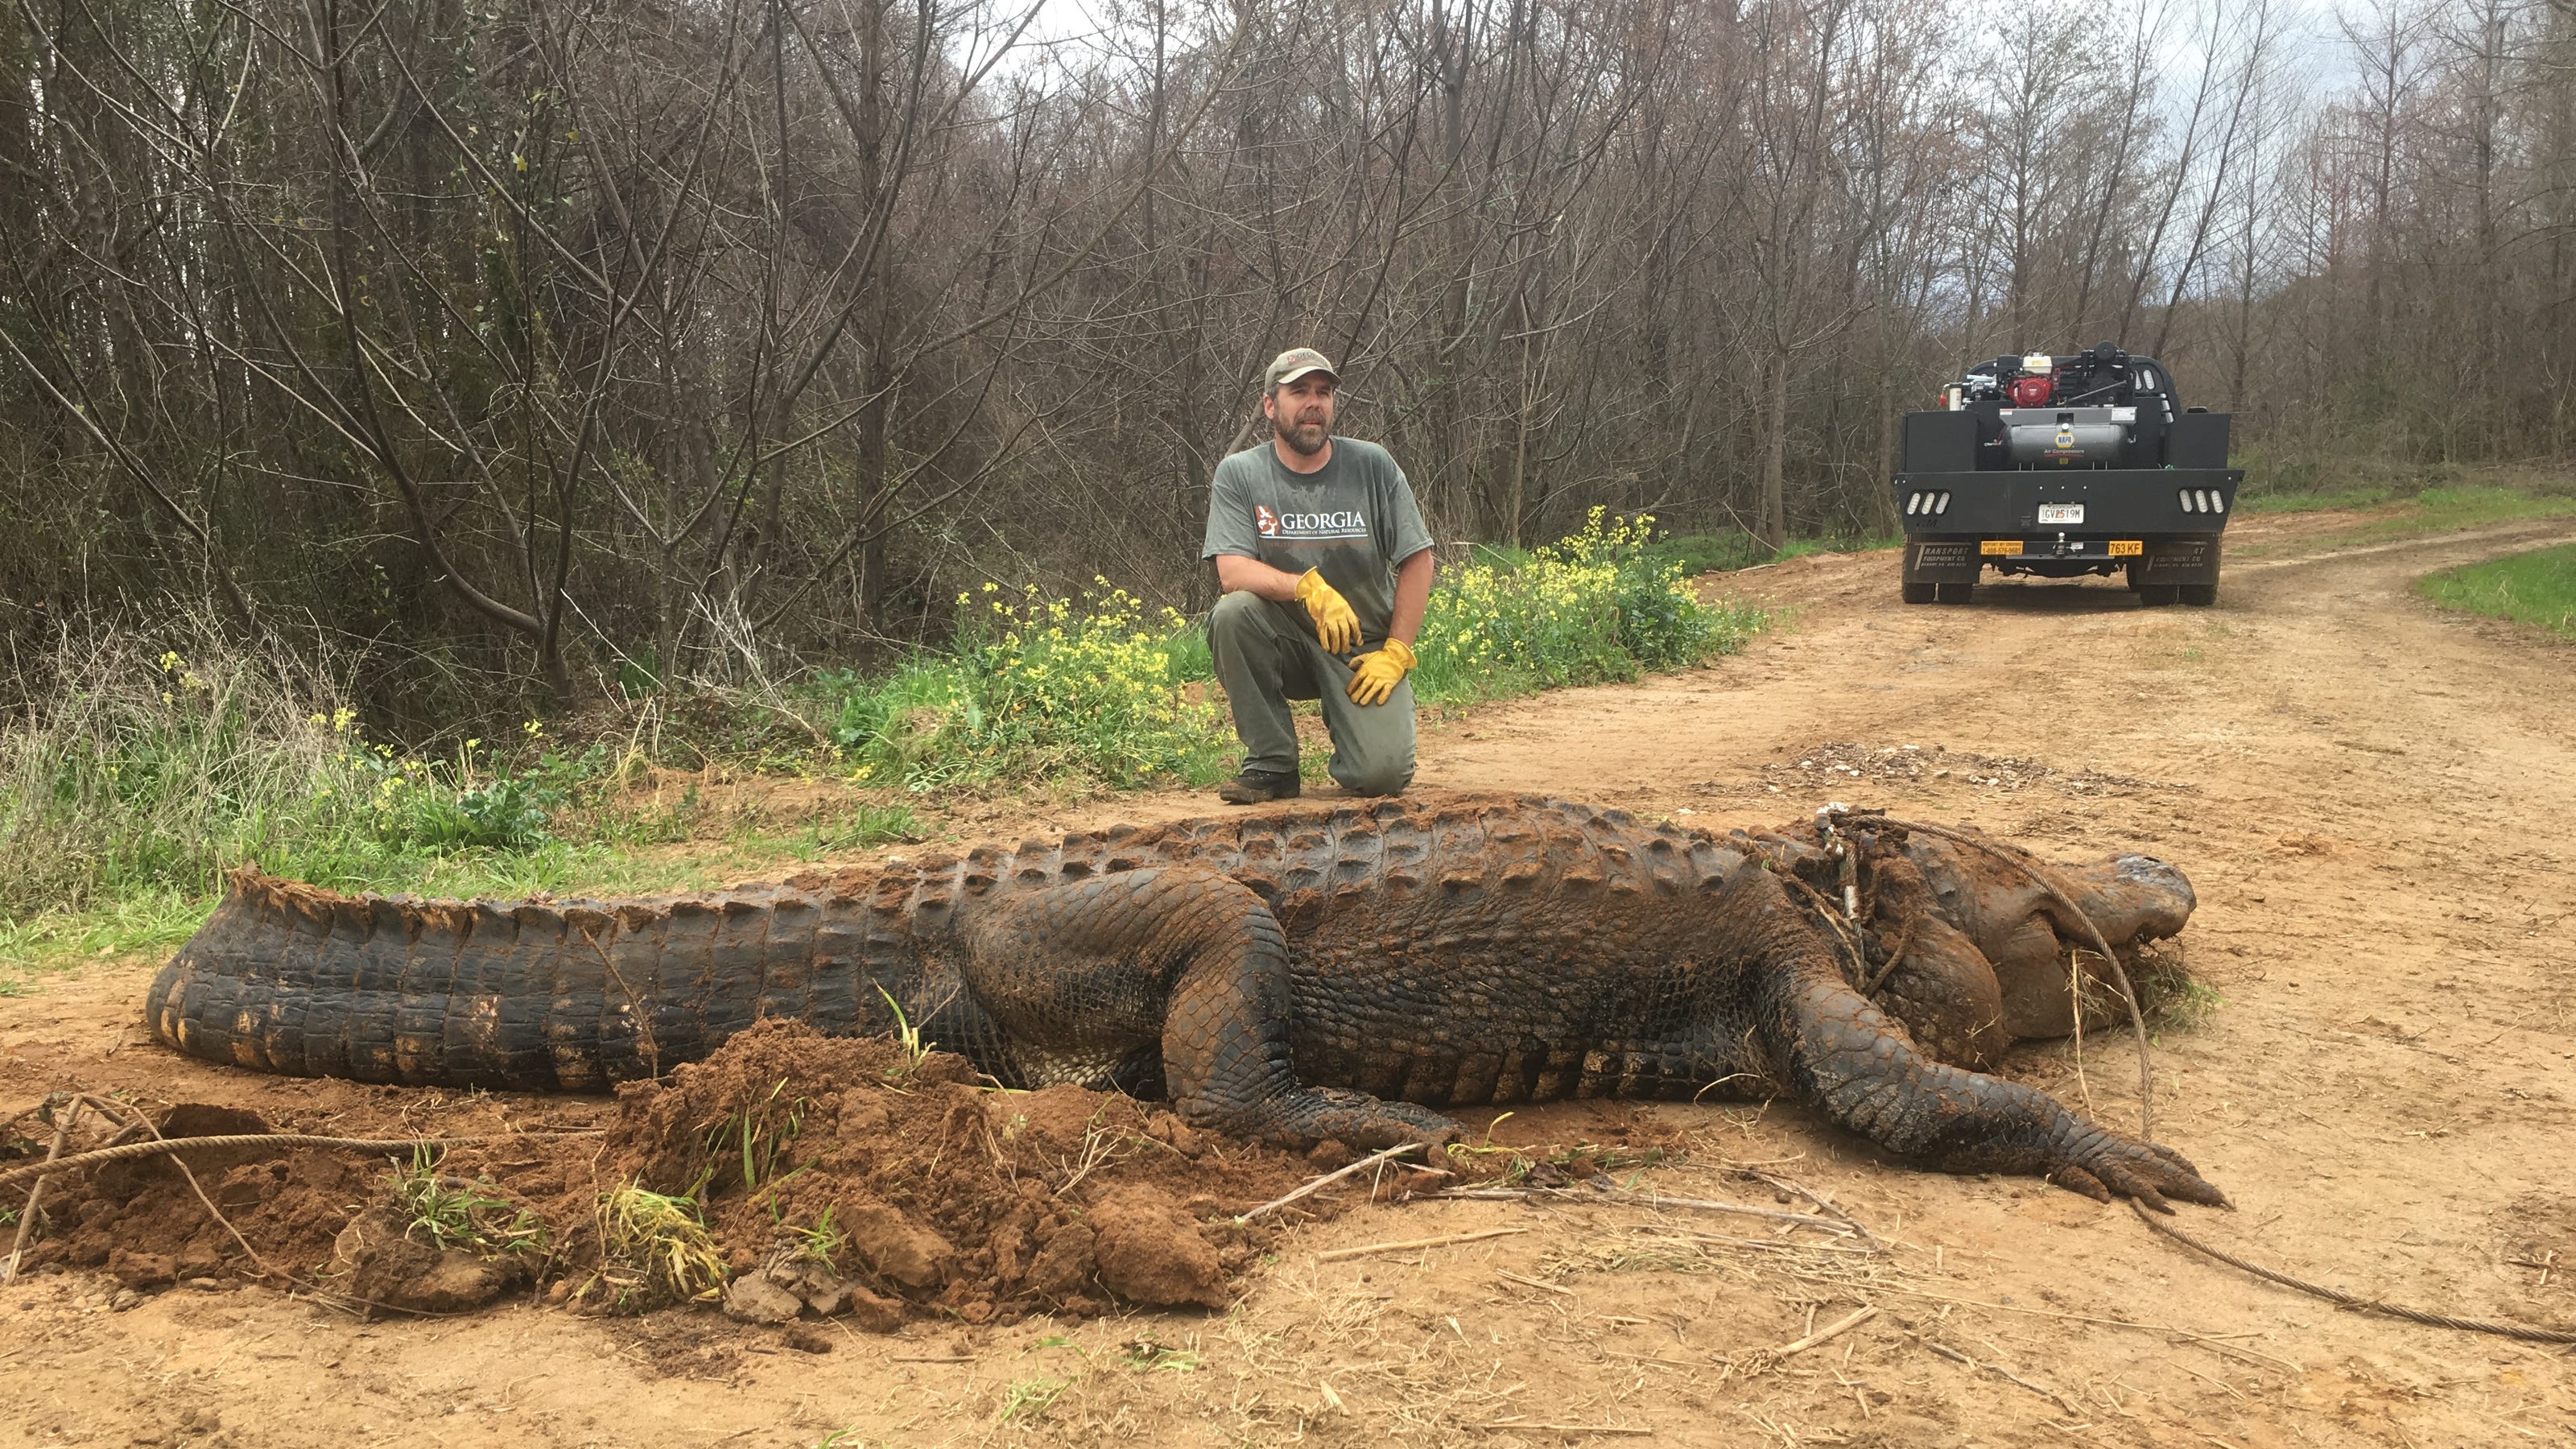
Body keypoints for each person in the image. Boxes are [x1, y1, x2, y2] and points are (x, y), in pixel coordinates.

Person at [1201, 348, 1435, 804]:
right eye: (1299, 392)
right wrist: (1305, 587)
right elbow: (1231, 571)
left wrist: (1398, 650)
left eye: (1324, 393)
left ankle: (1359, 739)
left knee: (1382, 777)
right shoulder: (1240, 474)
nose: (1314, 403)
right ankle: (1272, 762)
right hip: (1284, 639)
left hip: (1361, 650)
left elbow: (1417, 559)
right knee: (1233, 614)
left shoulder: (1372, 464)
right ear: (1270, 405)